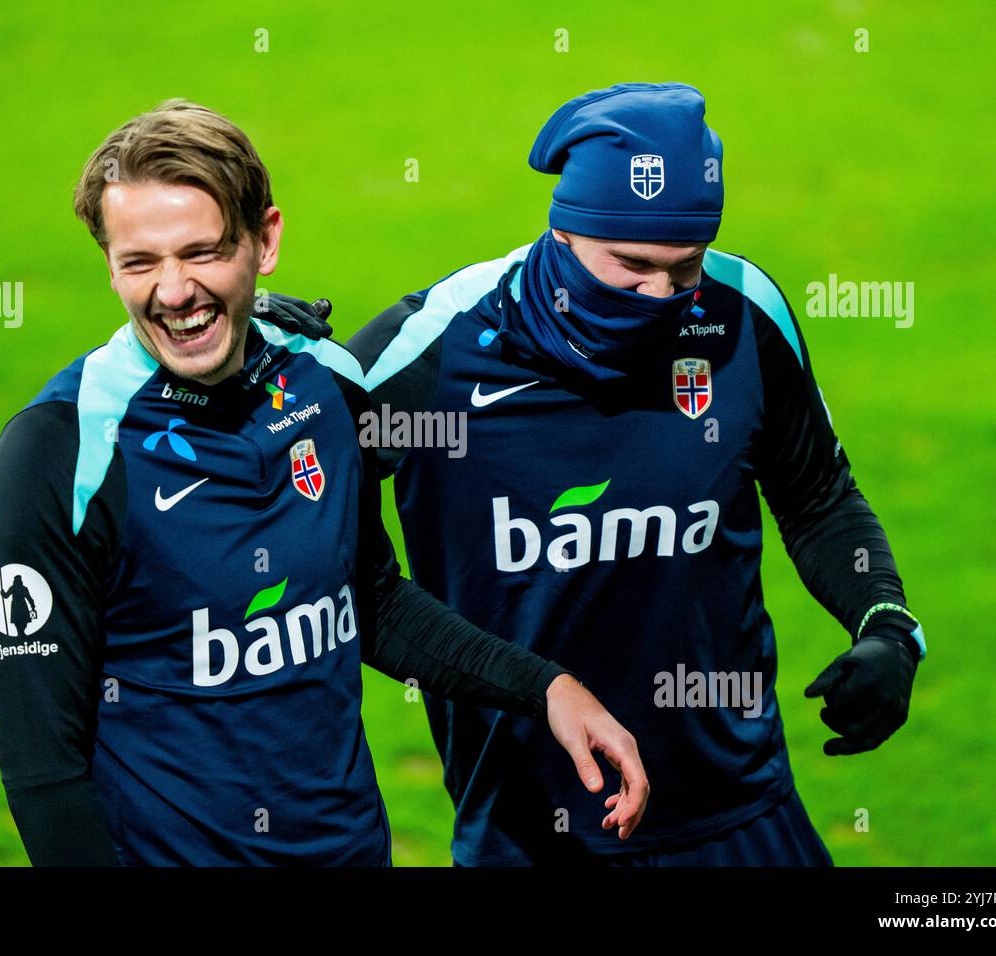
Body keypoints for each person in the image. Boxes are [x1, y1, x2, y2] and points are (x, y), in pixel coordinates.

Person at [0, 98, 648, 866]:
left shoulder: (323, 382)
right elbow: (43, 766)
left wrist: (547, 687)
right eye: (140, 262)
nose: (172, 292)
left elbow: (370, 597)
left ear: (264, 242)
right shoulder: (60, 455)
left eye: (202, 252)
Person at [346, 82, 926, 866]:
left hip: (743, 812)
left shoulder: (742, 314)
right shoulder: (432, 353)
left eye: (683, 270)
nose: (660, 298)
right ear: (563, 230)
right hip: (535, 833)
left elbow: (818, 493)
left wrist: (885, 623)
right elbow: (327, 554)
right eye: (631, 267)